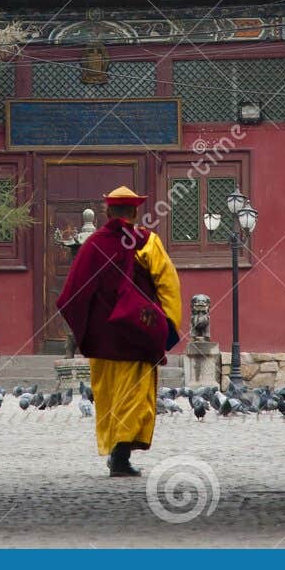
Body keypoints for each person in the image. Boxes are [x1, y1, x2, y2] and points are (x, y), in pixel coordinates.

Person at [56, 186, 183, 477]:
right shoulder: (147, 242)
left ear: (107, 212)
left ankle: (116, 450)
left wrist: (84, 327)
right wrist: (167, 325)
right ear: (135, 212)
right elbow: (168, 284)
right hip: (137, 332)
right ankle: (121, 456)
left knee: (109, 396)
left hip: (103, 339)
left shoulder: (92, 245)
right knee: (133, 396)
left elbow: (72, 292)